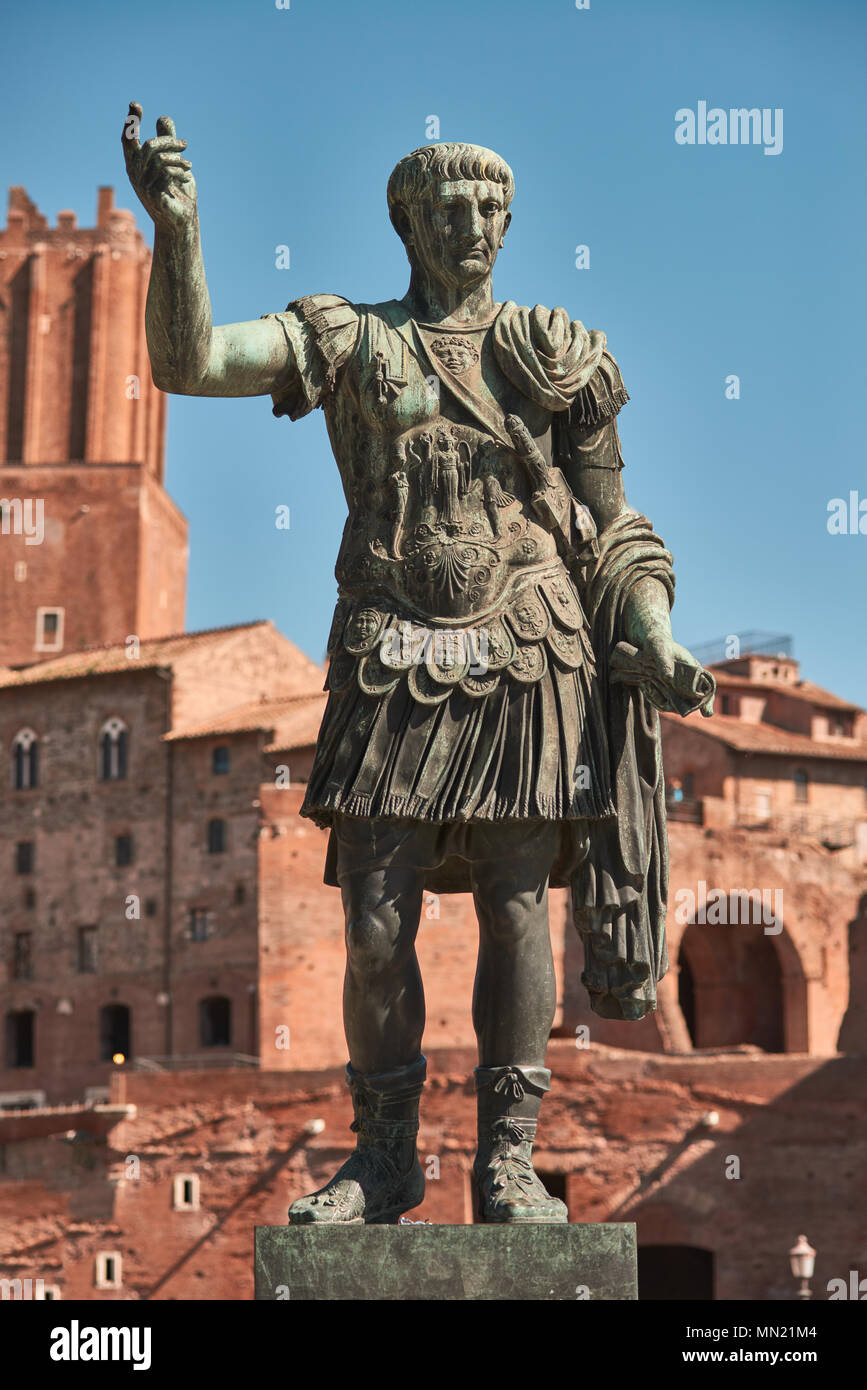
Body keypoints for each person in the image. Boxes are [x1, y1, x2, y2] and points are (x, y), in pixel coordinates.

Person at [122, 106, 714, 1226]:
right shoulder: (350, 336)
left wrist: (656, 630)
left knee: (514, 911)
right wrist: (180, 228)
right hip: (392, 653)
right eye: (447, 207)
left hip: (530, 645)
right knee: (377, 919)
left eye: (491, 206)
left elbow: (615, 524)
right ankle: (387, 1152)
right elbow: (188, 361)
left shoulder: (556, 351)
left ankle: (505, 1157)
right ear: (405, 220)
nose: (472, 224)